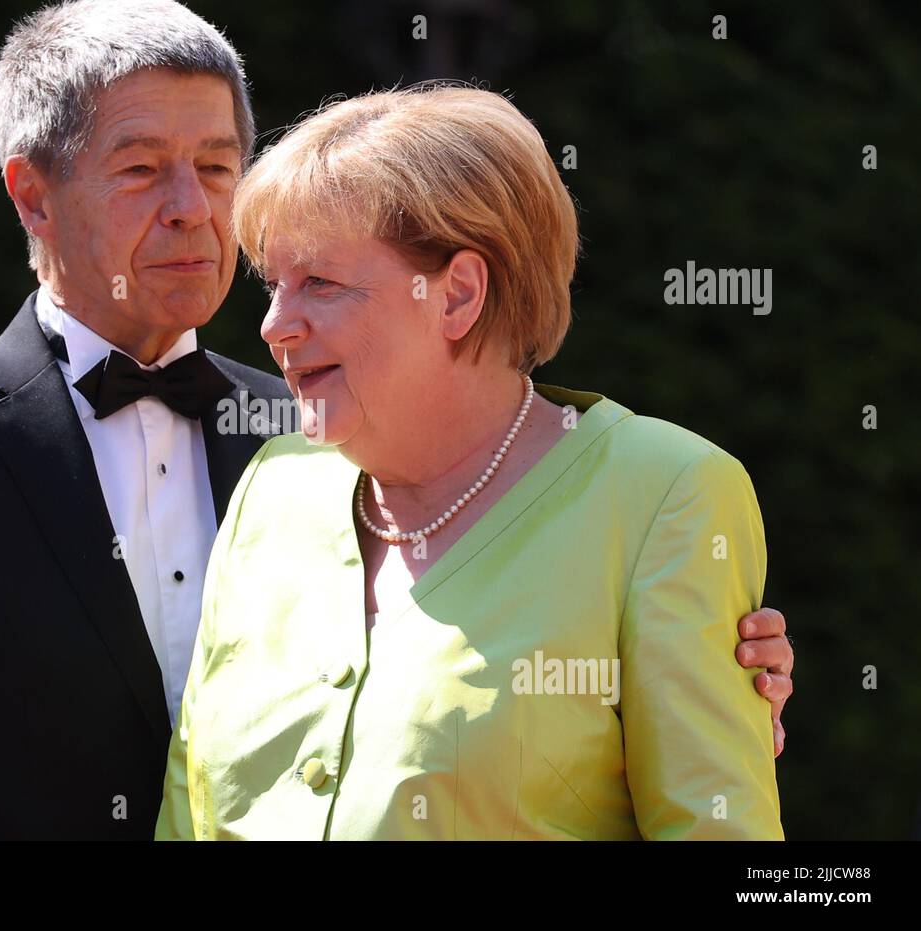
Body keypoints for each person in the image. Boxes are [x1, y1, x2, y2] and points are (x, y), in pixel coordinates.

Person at [0, 0, 791, 841]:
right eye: (138, 167)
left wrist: (688, 680)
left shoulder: (302, 435)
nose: (192, 209)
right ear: (31, 196)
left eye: (215, 167)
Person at [157, 85, 785, 839]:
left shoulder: (665, 496)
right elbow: (183, 813)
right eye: (274, 285)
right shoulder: (271, 488)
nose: (273, 326)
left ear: (457, 294)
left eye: (319, 283)